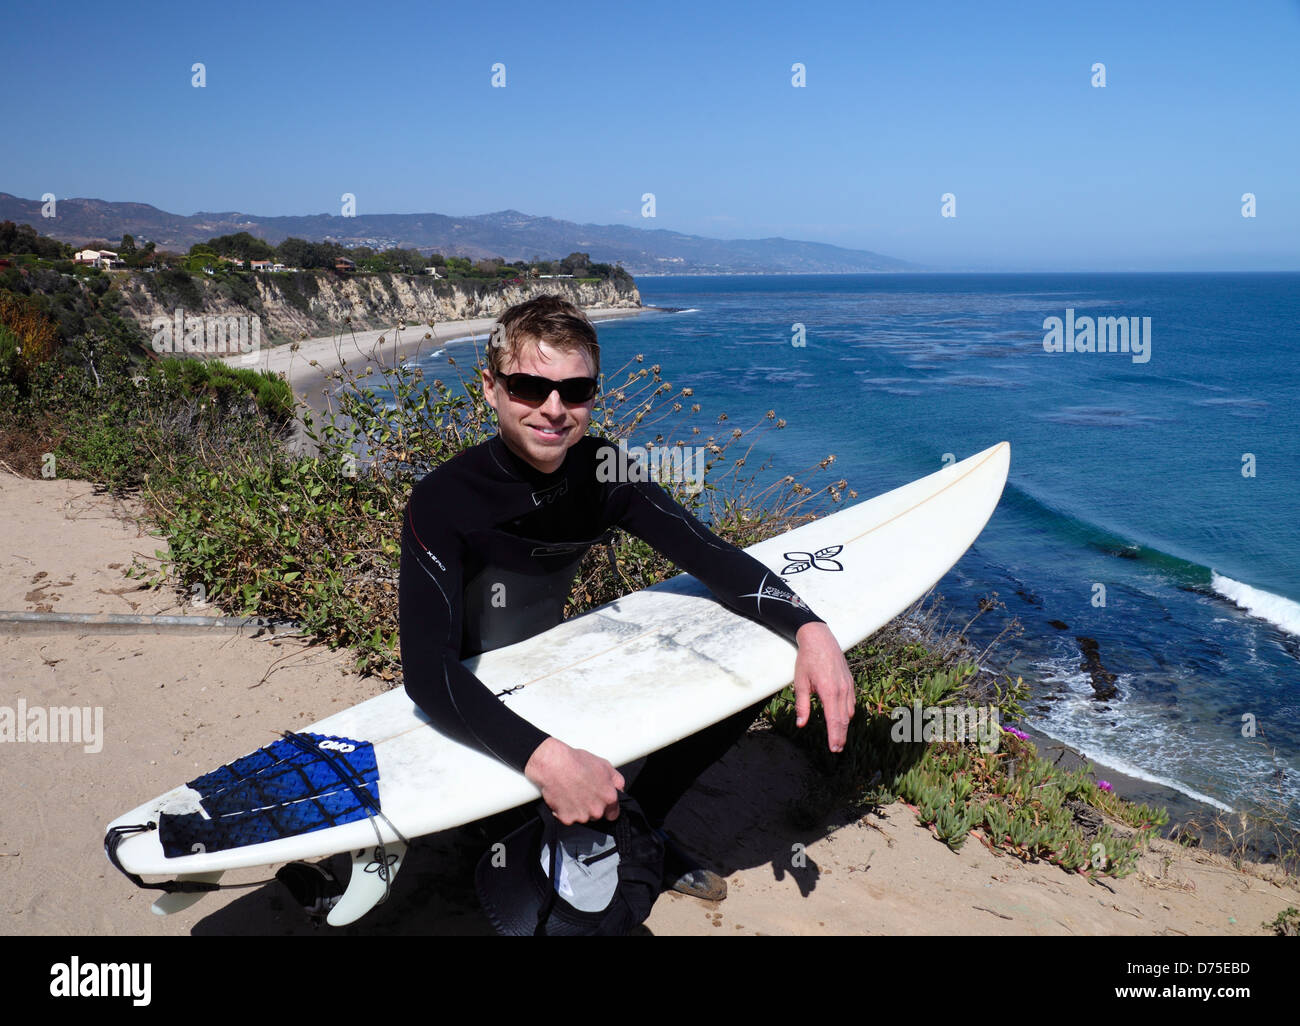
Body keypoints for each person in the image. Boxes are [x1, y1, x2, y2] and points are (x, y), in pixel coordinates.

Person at [398, 295, 854, 901]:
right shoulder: (445, 500)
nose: (554, 410)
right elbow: (429, 675)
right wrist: (548, 762)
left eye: (576, 391)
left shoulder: (601, 469)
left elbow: (710, 556)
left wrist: (812, 630)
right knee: (515, 859)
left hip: (556, 673)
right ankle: (518, 831)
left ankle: (644, 828)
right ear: (491, 387)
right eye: (530, 387)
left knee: (763, 649)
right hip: (477, 703)